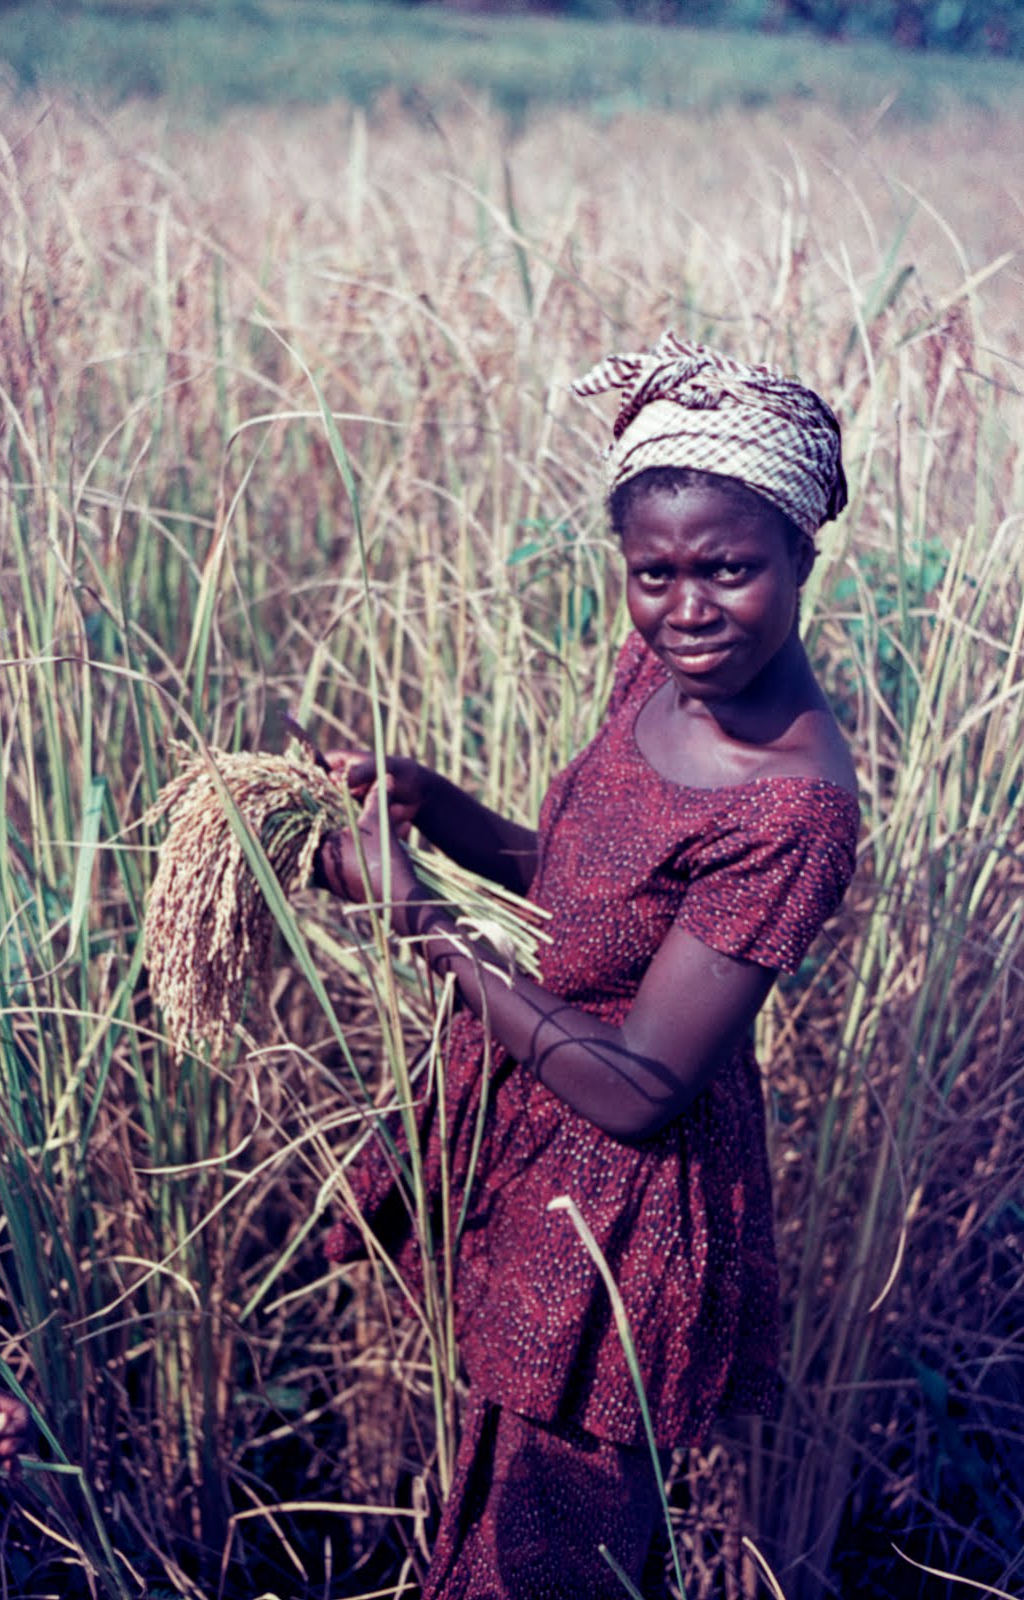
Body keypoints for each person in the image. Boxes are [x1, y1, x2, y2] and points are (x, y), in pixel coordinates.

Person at [315, 329, 860, 1597]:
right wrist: (435, 806)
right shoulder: (661, 666)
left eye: (728, 569)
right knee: (493, 1509)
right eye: (653, 572)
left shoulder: (791, 808)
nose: (686, 610)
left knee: (546, 1553)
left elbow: (640, 1086)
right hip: (536, 1145)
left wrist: (420, 924)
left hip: (619, 1223)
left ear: (800, 555)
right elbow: (585, 890)